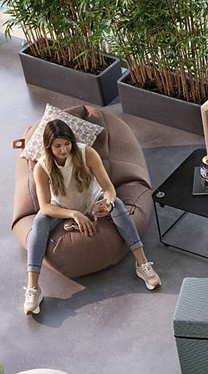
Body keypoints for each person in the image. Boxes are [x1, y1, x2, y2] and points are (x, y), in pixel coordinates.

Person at [23, 119, 161, 316]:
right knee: (38, 223)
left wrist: (108, 203)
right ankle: (33, 288)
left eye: (67, 143)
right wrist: (74, 214)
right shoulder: (42, 167)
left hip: (93, 200)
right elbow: (45, 206)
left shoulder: (86, 153)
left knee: (118, 205)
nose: (64, 150)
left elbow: (108, 188)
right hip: (62, 207)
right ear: (49, 147)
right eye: (57, 146)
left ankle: (142, 263)